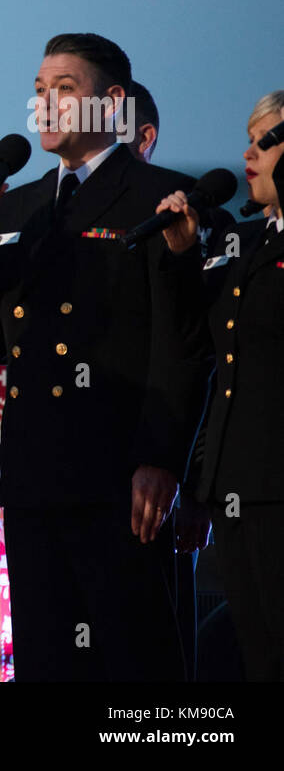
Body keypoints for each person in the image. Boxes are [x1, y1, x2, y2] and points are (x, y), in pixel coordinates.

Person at [0, 34, 207, 681]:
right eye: (38, 91)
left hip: (121, 475)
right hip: (34, 475)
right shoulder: (20, 205)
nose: (46, 106)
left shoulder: (161, 195)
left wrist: (162, 456)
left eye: (64, 89)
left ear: (111, 102)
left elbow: (185, 341)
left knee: (135, 659)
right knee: (49, 656)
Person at [157, 90, 284, 680]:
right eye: (248, 138)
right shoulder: (248, 240)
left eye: (266, 140)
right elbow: (207, 356)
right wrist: (183, 255)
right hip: (236, 481)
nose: (247, 154)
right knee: (254, 649)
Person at [125, 80, 225, 679]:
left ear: (145, 139)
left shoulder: (190, 225)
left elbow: (206, 364)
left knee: (153, 648)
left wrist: (196, 486)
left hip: (166, 479)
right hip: (85, 479)